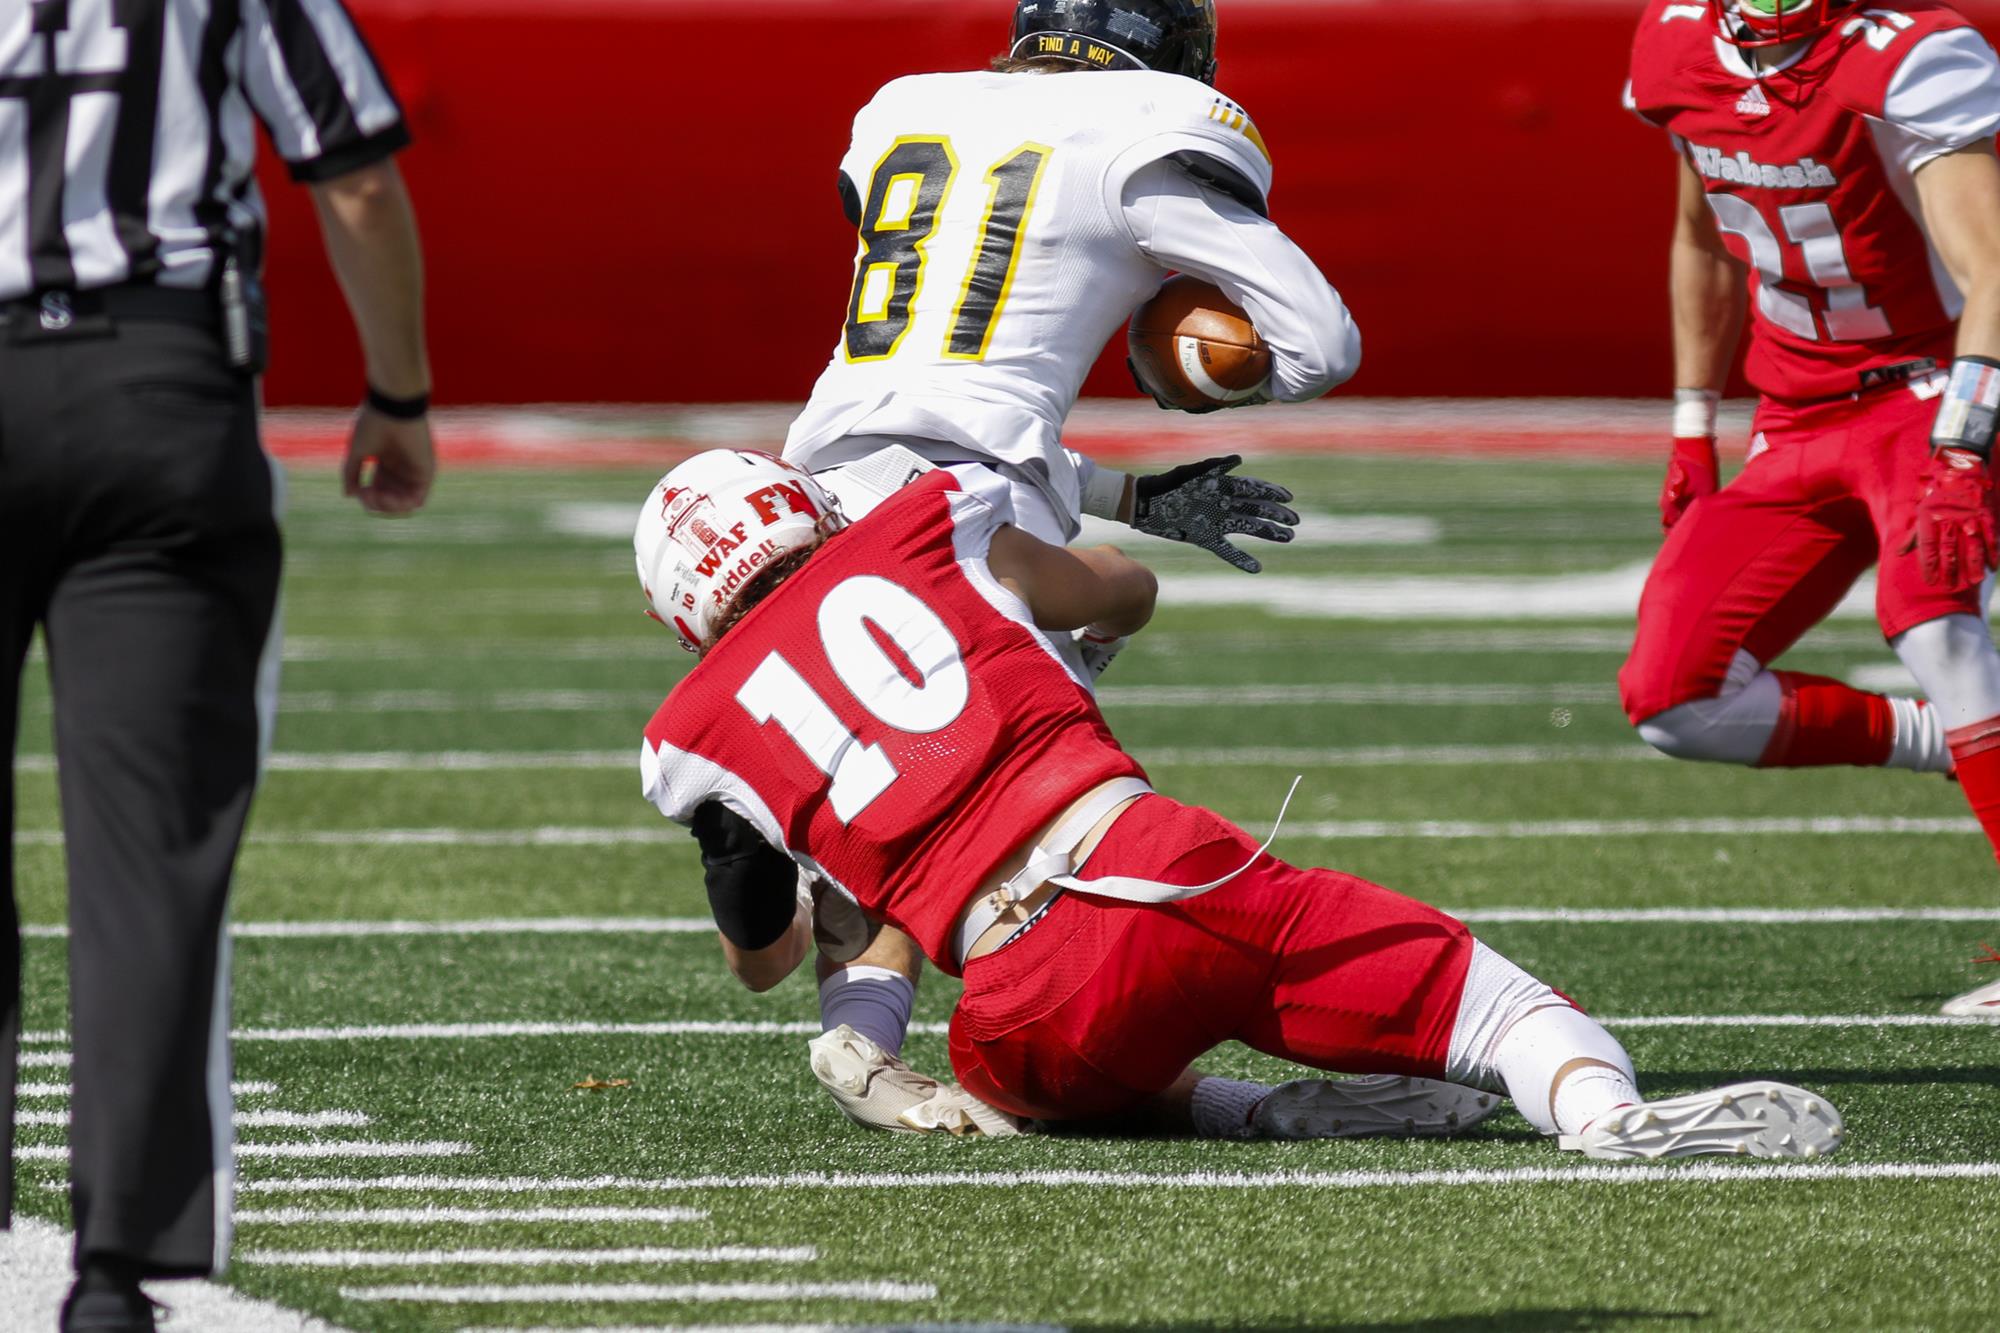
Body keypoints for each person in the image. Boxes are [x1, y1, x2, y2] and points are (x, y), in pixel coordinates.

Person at [634, 448, 1845, 1160]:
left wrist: (841, 905)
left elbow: (758, 955)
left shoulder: (695, 735)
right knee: (1498, 1007)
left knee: (1026, 1083)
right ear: (799, 504)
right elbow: (1120, 587)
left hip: (1016, 1005)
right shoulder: (924, 518)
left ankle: (1257, 1109)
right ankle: (1601, 1115)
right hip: (1162, 867)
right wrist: (1079, 631)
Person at [778, 0, 1369, 1125]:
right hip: (974, 506)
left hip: (821, 484)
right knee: (1015, 805)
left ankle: (864, 1035)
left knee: (900, 788)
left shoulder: (904, 108)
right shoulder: (1142, 131)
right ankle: (1097, 1061)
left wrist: (1129, 495)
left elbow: (937, 378)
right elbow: (1319, 342)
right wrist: (1198, 370)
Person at [0, 2, 434, 1328]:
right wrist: (399, 393)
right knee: (145, 855)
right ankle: (117, 1272)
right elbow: (351, 164)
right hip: (156, 386)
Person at [1620, 0, 2000, 1016]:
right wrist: (1692, 423)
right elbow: (1699, 240)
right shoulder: (1671, 43)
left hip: (1925, 388)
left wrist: (1963, 445)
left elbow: (1990, 268)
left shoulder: (1908, 56)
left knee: (1937, 631)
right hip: (1793, 413)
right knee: (1673, 701)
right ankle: (1944, 740)